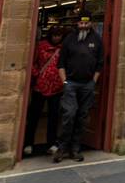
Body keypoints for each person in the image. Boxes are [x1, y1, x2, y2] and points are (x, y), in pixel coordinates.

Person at [52, 16, 105, 163]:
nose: (83, 25)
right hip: (71, 83)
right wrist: (65, 82)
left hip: (87, 84)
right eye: (81, 23)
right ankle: (62, 148)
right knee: (69, 114)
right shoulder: (70, 39)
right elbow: (61, 62)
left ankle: (75, 149)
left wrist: (93, 81)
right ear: (77, 24)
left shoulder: (97, 40)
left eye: (86, 23)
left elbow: (100, 63)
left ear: (91, 23)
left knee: (82, 116)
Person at [24, 25, 65, 156]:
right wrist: (37, 74)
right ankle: (28, 142)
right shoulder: (41, 46)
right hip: (40, 87)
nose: (57, 38)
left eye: (59, 35)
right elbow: (32, 62)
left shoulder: (63, 48)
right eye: (55, 35)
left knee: (54, 116)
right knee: (34, 116)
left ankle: (51, 142)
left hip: (56, 87)